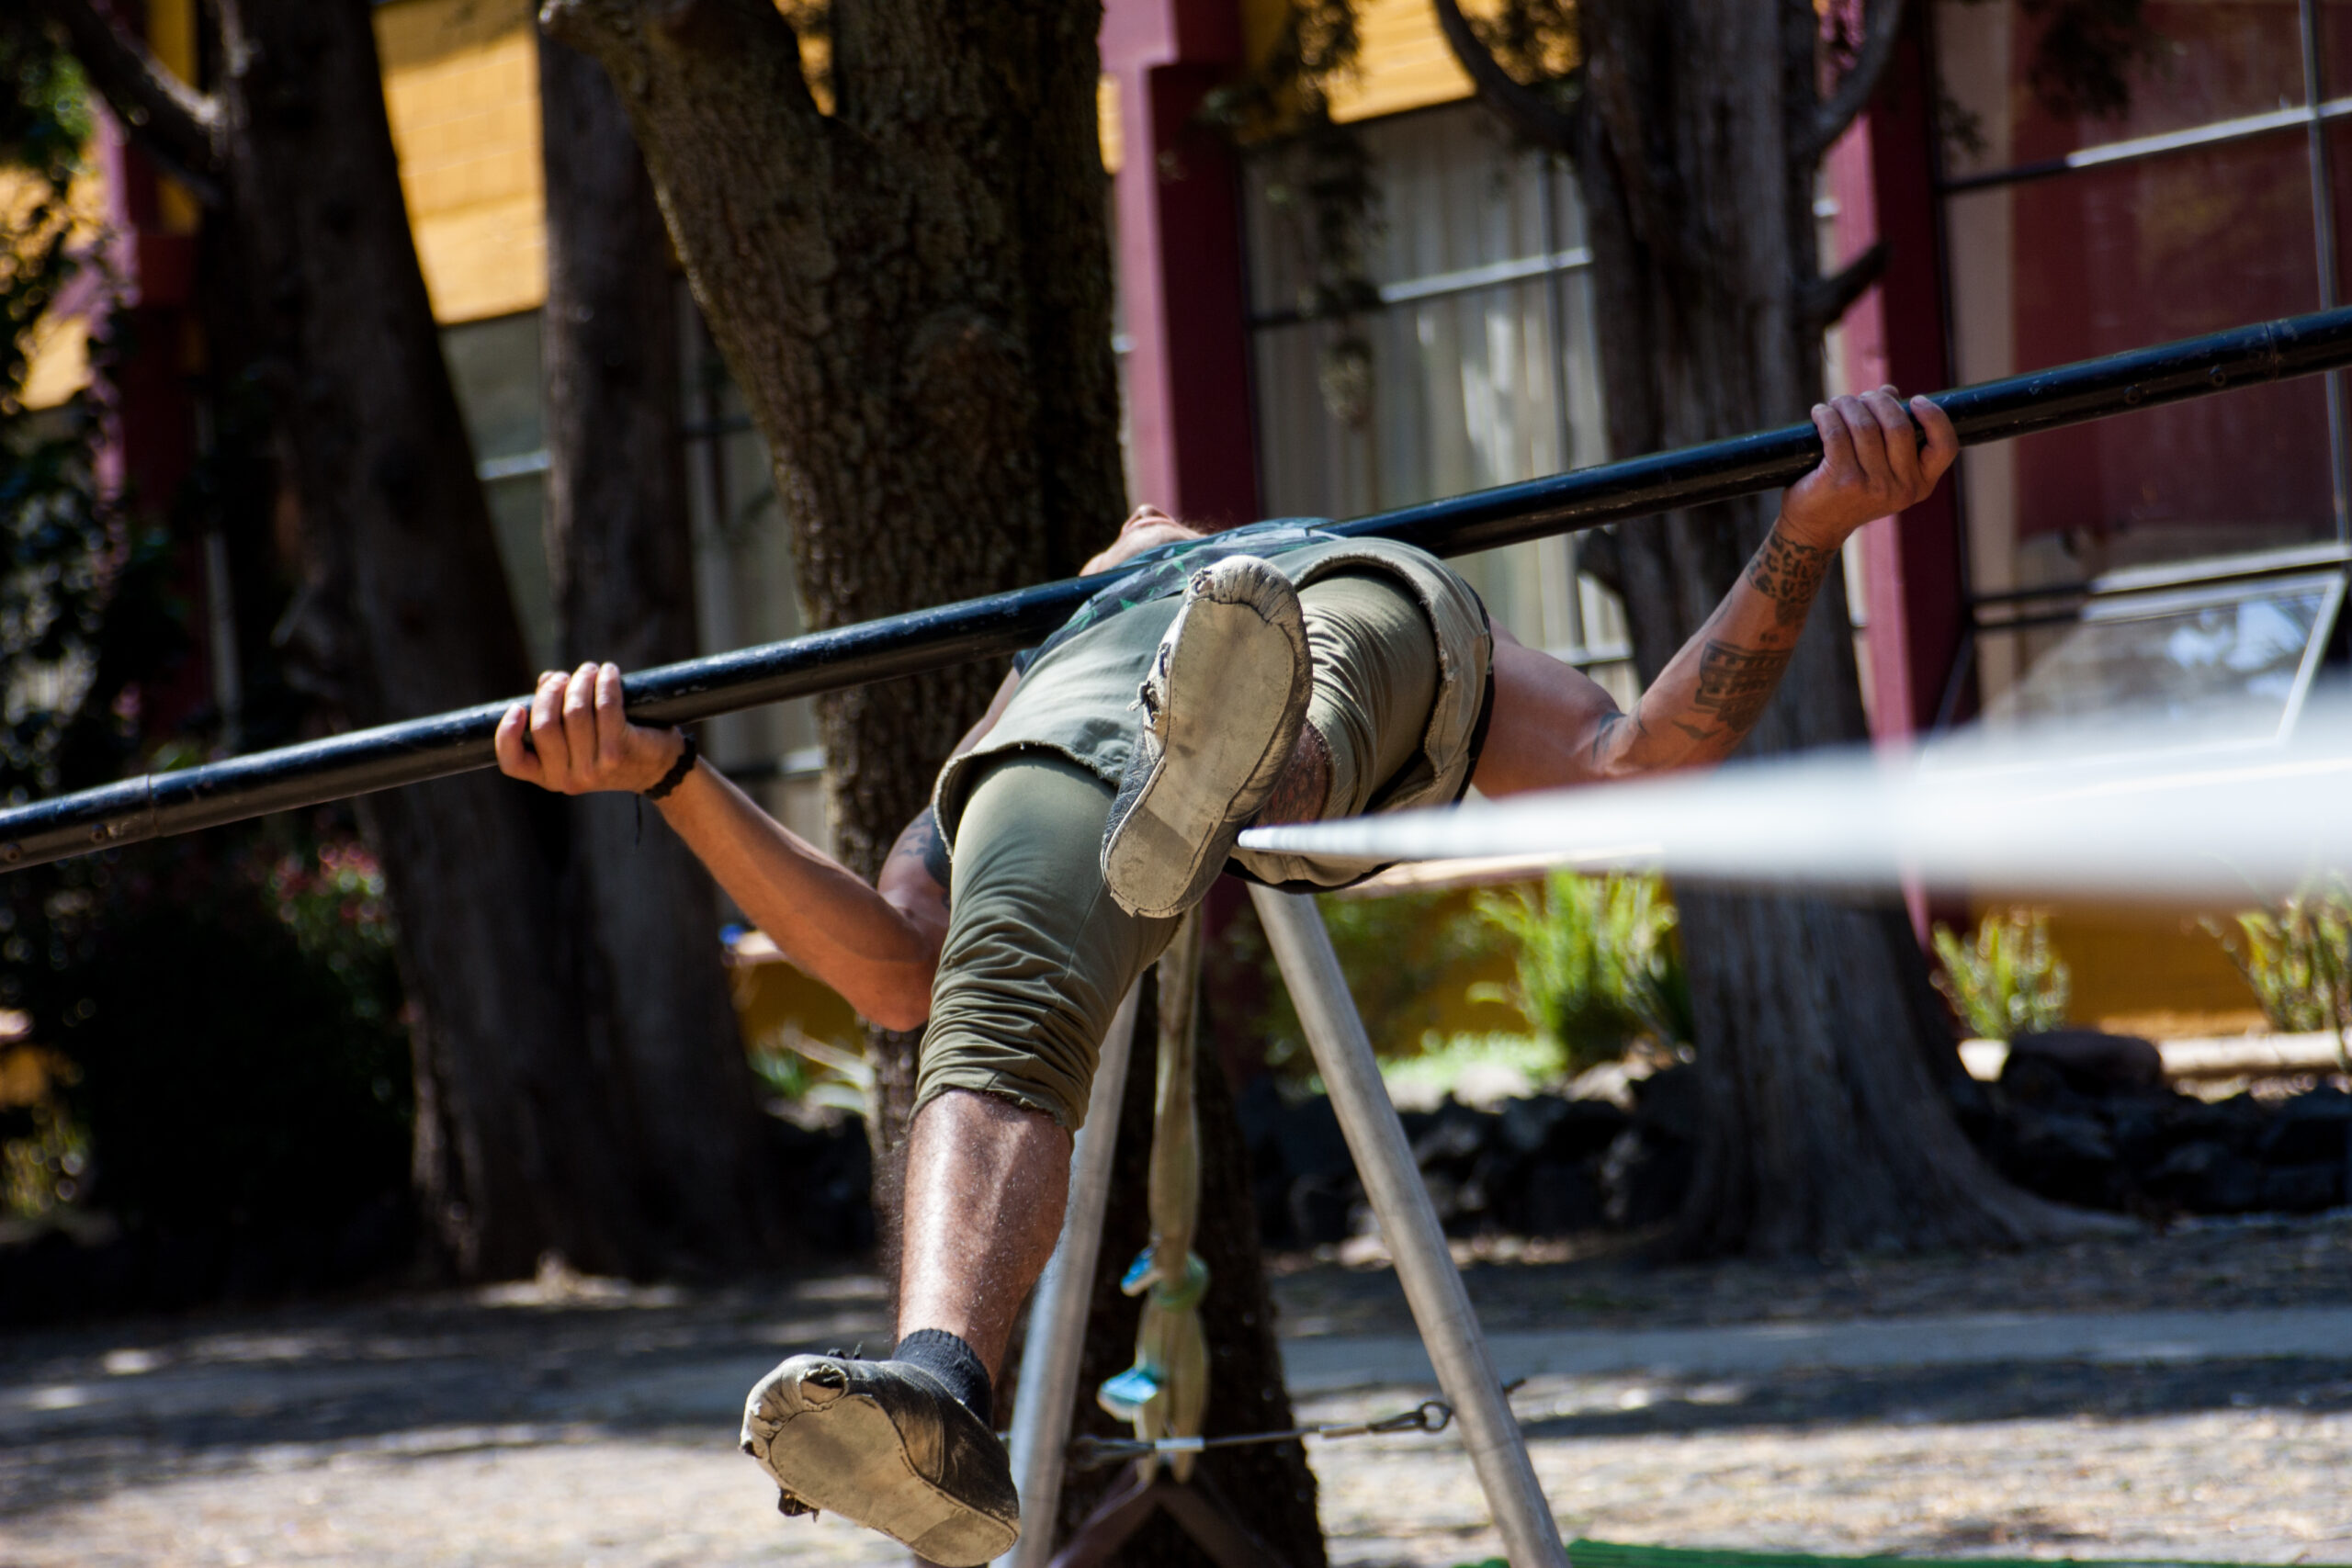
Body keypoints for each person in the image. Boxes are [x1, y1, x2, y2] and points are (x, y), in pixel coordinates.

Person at [494, 389, 1958, 1564]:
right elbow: (889, 975)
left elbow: (1626, 761)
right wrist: (666, 771)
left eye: (1156, 522)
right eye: (1129, 528)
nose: (1141, 517)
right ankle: (940, 1387)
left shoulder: (1341, 551)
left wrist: (1814, 527)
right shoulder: (1028, 683)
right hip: (1076, 753)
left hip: (1349, 636)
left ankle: (1249, 755)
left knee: (1301, 663)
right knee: (984, 1000)